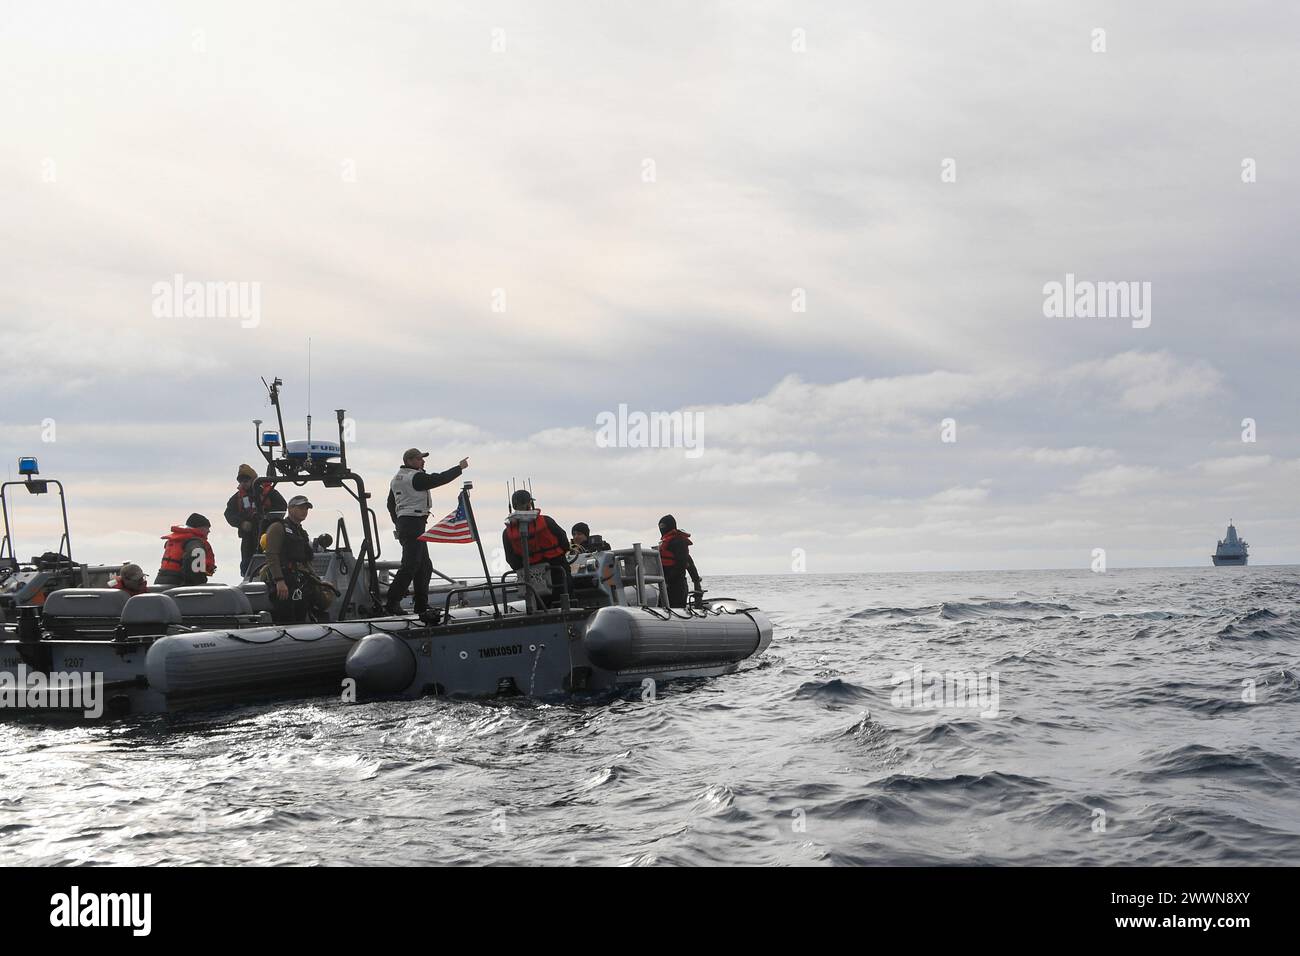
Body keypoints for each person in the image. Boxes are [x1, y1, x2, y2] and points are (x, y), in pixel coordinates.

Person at [385, 448, 469, 616]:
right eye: (419, 459)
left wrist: (398, 523)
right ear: (409, 461)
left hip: (407, 523)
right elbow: (438, 479)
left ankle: (421, 605)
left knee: (424, 566)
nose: (423, 462)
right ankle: (392, 603)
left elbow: (390, 504)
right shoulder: (415, 477)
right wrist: (459, 468)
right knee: (411, 565)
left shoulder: (397, 479)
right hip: (413, 523)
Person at [259, 495, 336, 623]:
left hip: (299, 580)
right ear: (290, 509)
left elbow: (305, 561)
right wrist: (279, 581)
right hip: (284, 580)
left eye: (306, 508)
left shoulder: (301, 532)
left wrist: (318, 581)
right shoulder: (278, 527)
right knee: (286, 615)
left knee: (301, 613)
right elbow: (272, 555)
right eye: (300, 507)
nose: (304, 511)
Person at [503, 489, 572, 601]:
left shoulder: (507, 533)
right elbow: (564, 543)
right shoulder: (546, 521)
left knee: (539, 606)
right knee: (566, 601)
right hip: (558, 571)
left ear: (513, 506)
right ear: (530, 504)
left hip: (532, 579)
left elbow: (511, 560)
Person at [224, 464, 288, 575]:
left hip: (267, 535)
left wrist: (268, 520)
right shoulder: (237, 498)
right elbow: (229, 514)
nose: (244, 483)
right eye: (241, 481)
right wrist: (242, 523)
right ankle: (247, 579)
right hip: (248, 536)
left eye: (246, 480)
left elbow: (281, 506)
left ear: (253, 479)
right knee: (247, 564)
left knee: (269, 559)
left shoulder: (269, 493)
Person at [155, 513, 216, 586]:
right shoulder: (195, 543)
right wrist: (194, 584)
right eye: (207, 528)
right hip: (178, 582)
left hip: (161, 580)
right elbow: (192, 559)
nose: (209, 531)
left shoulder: (175, 540)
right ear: (199, 528)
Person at [657, 514, 702, 609]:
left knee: (675, 610)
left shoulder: (678, 541)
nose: (662, 529)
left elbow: (684, 563)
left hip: (677, 585)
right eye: (660, 527)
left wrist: (696, 580)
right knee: (661, 609)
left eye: (663, 526)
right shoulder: (667, 542)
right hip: (665, 585)